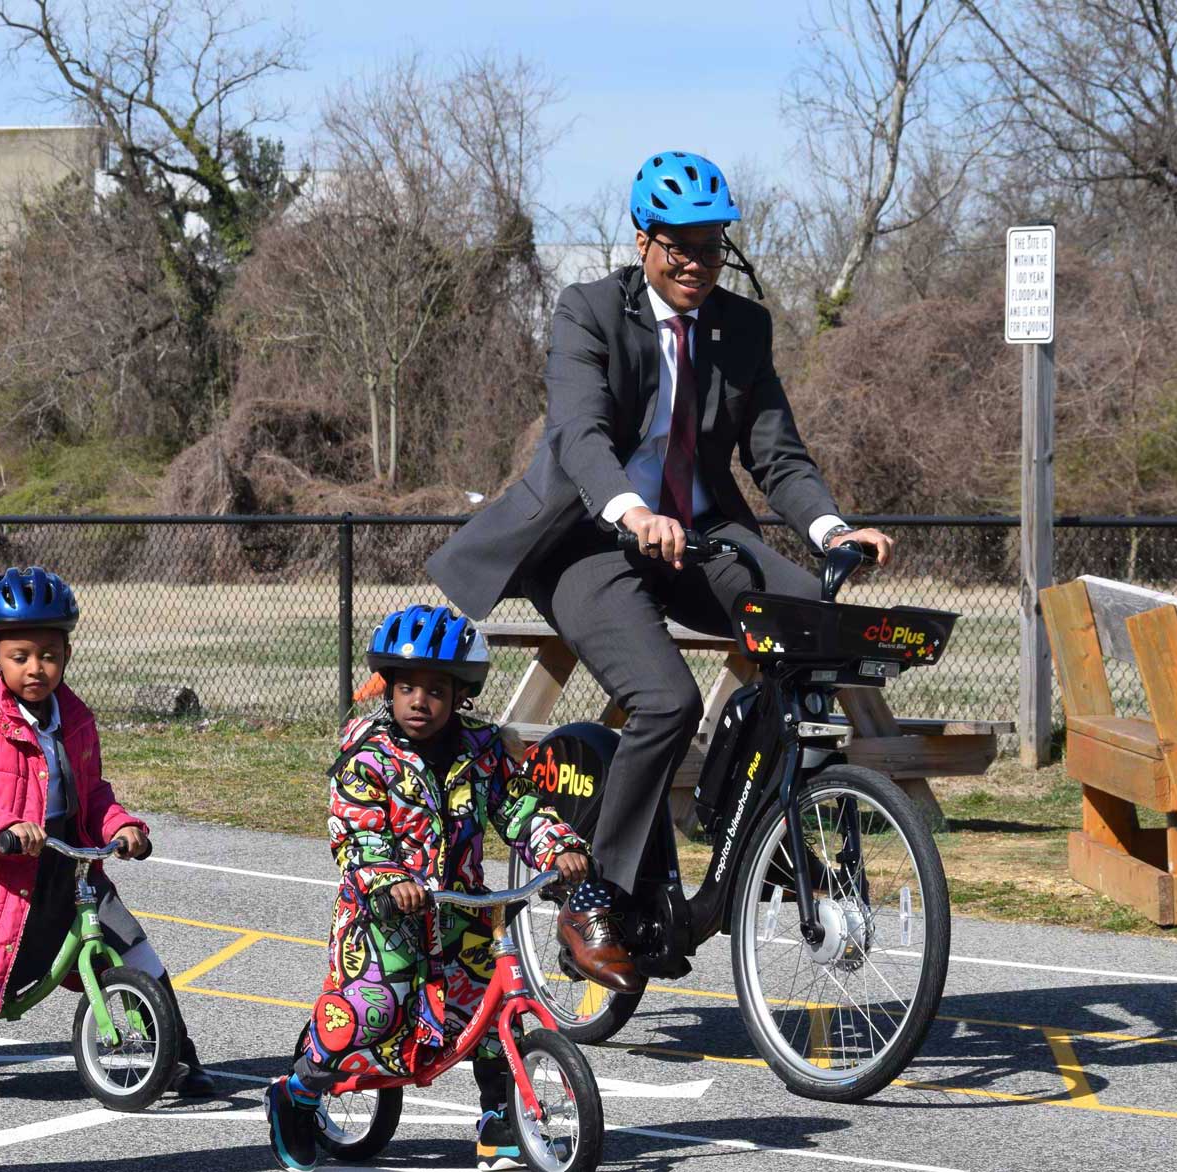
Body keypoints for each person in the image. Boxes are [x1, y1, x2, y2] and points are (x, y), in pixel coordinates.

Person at [427, 150, 896, 980]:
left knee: (816, 631)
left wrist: (830, 529)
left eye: (710, 245)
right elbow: (579, 434)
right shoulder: (588, 312)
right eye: (677, 244)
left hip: (697, 534)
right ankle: (595, 896)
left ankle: (750, 821)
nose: (694, 262)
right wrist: (630, 510)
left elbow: (774, 453)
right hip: (585, 539)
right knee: (664, 698)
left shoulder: (742, 327)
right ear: (642, 239)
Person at [0, 567, 215, 1105]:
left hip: (69, 864)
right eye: (20, 656)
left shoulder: (74, 717)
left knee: (137, 955)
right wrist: (2, 829)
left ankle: (177, 1058)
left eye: (49, 655)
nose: (36, 668)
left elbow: (92, 793)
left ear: (67, 655)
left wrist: (121, 825)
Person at [265, 605, 593, 1172]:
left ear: (460, 694)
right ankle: (297, 1093)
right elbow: (355, 832)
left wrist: (556, 845)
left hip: (464, 911)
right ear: (388, 689)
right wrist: (389, 879)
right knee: (371, 1010)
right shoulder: (367, 758)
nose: (421, 701)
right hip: (381, 919)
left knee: (490, 1013)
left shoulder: (483, 750)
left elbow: (518, 808)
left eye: (436, 689)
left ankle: (499, 1121)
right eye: (408, 687)